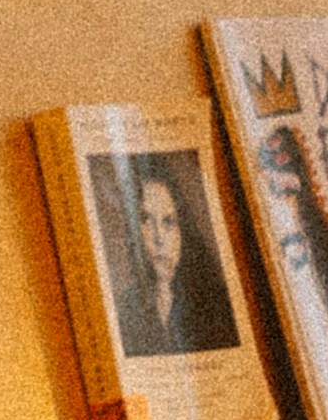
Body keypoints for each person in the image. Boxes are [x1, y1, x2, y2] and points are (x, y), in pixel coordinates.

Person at [100, 151, 240, 365]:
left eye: (168, 222)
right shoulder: (123, 311)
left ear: (183, 231)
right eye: (146, 220)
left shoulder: (215, 307)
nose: (159, 239)